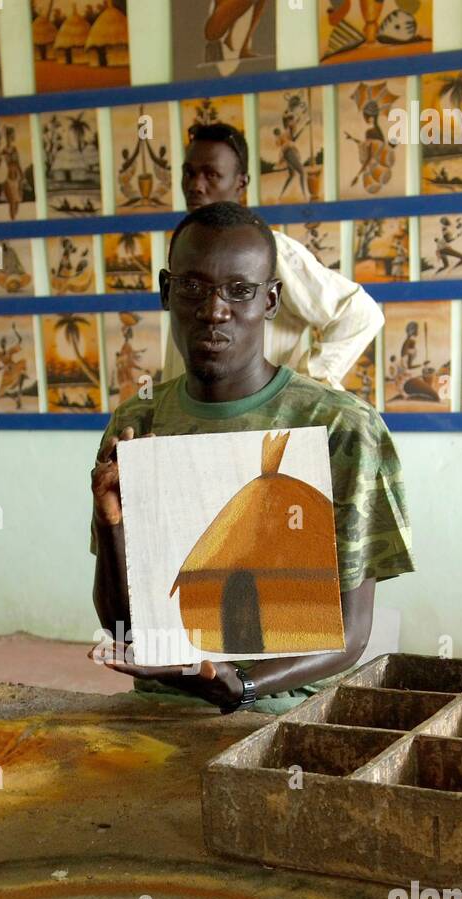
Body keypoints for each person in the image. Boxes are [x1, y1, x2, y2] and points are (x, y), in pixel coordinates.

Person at [90, 202, 414, 714]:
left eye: (239, 290)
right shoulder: (139, 422)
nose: (214, 309)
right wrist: (111, 521)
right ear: (166, 291)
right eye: (193, 287)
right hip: (161, 708)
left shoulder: (340, 428)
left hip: (281, 718)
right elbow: (123, 625)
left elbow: (350, 634)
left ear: (271, 300)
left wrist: (241, 684)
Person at [166, 124, 382, 390]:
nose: (196, 186)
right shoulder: (185, 250)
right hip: (189, 419)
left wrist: (307, 383)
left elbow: (360, 313)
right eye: (189, 173)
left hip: (258, 424)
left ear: (241, 183)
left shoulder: (270, 252)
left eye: (211, 174)